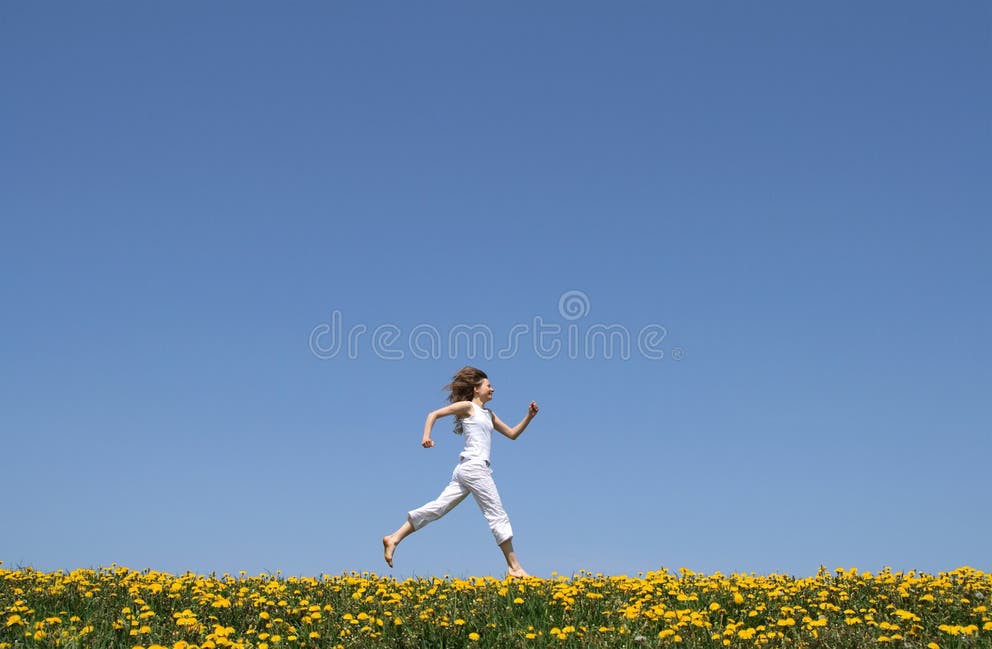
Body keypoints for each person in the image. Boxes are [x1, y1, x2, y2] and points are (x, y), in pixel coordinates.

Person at [382, 367, 540, 578]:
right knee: (497, 514)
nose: (492, 389)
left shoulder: (489, 415)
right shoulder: (468, 407)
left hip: (468, 470)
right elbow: (434, 414)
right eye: (488, 385)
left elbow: (512, 434)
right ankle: (515, 567)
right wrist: (426, 436)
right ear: (476, 389)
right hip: (474, 468)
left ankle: (394, 537)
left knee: (438, 508)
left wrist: (528, 416)